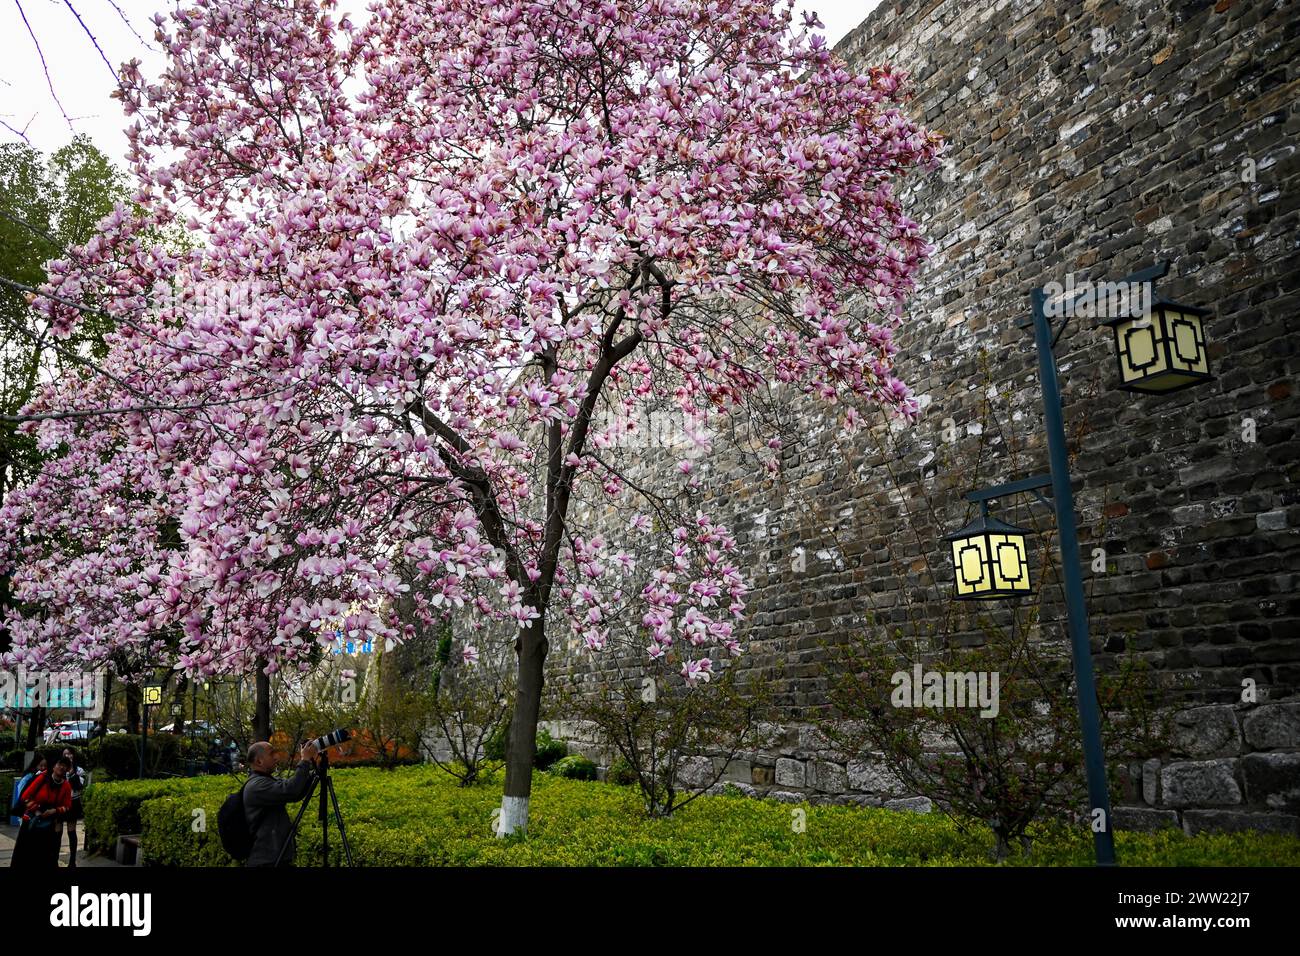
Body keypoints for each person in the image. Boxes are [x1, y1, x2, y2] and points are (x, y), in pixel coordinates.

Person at [243, 741, 318, 867]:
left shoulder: (265, 780)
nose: (276, 757)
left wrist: (315, 769)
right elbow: (291, 790)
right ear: (259, 761)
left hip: (274, 856)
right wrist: (304, 760)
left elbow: (296, 793)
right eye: (272, 754)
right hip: (266, 860)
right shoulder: (256, 786)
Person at [11, 755, 73, 868]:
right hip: (31, 822)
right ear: (53, 766)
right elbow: (25, 797)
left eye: (65, 766)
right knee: (25, 856)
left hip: (49, 826)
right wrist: (36, 810)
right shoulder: (42, 778)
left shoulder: (66, 785)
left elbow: (68, 806)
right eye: (60, 764)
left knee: (46, 857)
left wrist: (55, 811)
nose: (62, 767)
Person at [61, 747, 87, 868]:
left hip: (73, 802)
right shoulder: (59, 769)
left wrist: (71, 771)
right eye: (65, 754)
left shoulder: (79, 770)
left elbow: (78, 786)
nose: (67, 756)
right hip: (59, 804)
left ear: (73, 756)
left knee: (71, 831)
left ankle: (72, 860)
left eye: (69, 754)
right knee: (57, 831)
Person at [10, 755, 46, 827]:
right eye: (41, 765)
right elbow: (22, 793)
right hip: (26, 810)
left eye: (45, 766)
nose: (43, 768)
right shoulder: (29, 776)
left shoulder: (43, 776)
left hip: (37, 811)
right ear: (35, 764)